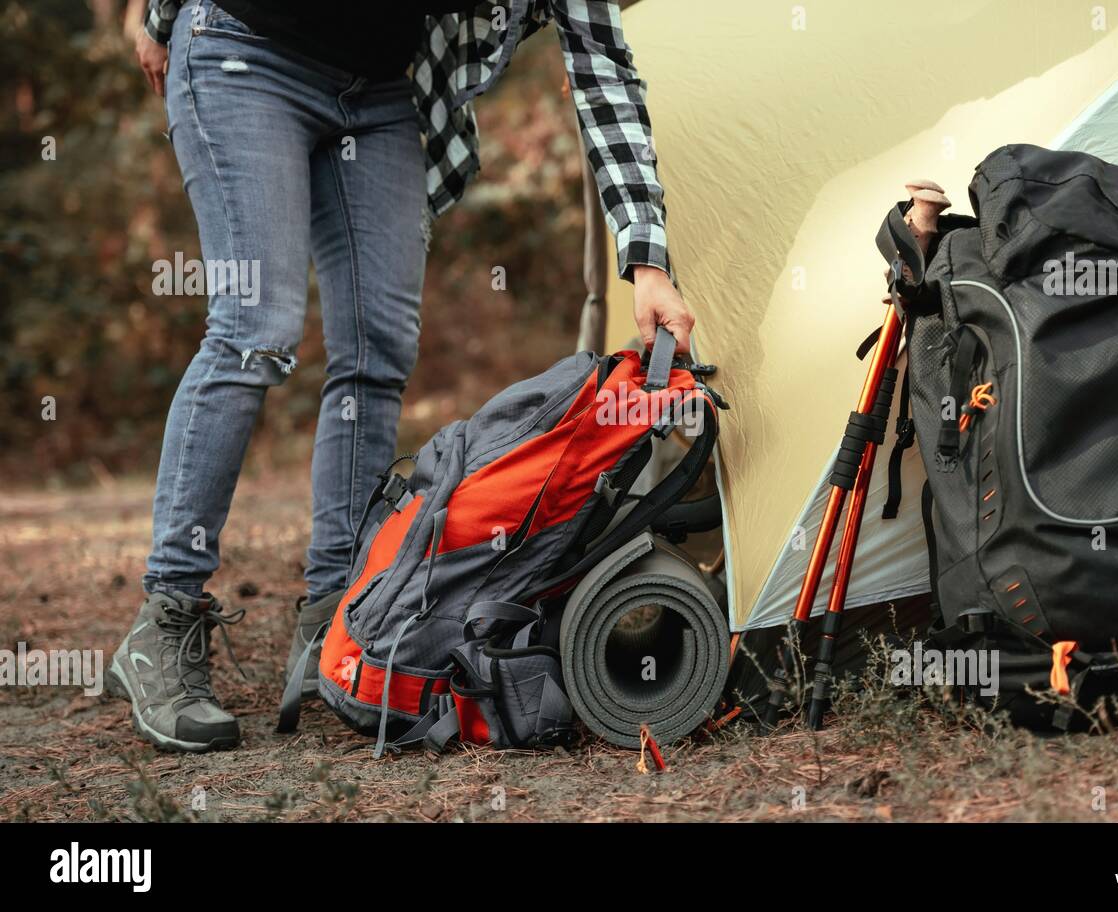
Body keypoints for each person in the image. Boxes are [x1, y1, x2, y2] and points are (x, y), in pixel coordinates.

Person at [109, 0, 694, 752]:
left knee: (377, 351)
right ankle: (167, 616)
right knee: (255, 329)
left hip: (378, 91)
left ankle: (339, 616)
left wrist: (646, 262)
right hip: (242, 47)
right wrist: (160, 19)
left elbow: (604, 69)